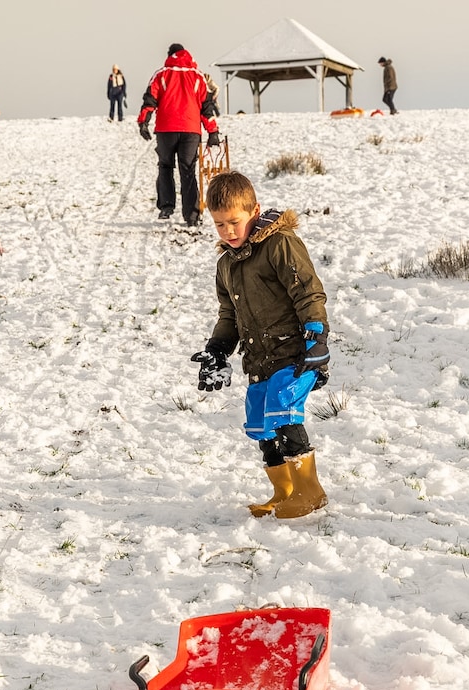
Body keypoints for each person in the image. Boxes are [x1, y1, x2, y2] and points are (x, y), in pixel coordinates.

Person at [192, 170, 331, 519]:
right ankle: (283, 491)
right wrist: (218, 349)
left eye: (234, 222)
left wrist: (317, 336)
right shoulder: (226, 265)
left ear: (254, 210)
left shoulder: (279, 244)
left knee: (283, 412)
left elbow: (307, 290)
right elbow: (229, 313)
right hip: (258, 359)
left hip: (293, 351)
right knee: (260, 424)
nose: (228, 231)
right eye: (220, 224)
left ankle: (309, 491)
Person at [137, 43, 220, 228]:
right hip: (191, 130)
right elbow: (207, 108)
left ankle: (166, 207)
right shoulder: (197, 76)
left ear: (169, 55)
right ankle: (192, 216)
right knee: (188, 169)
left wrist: (143, 122)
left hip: (166, 129)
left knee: (165, 166)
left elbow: (150, 99)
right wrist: (213, 131)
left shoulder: (161, 74)